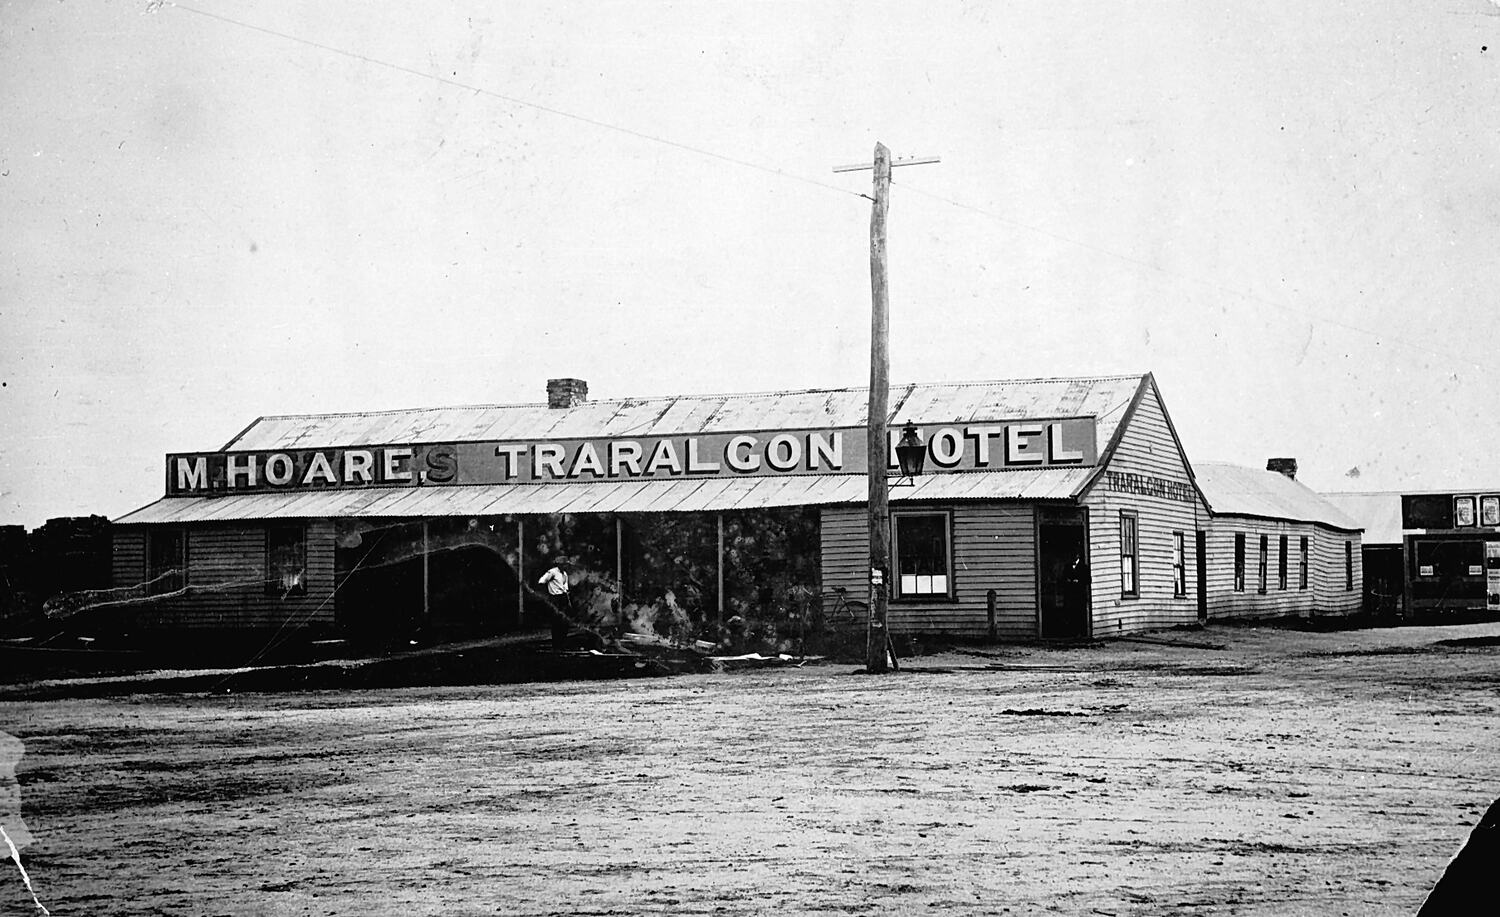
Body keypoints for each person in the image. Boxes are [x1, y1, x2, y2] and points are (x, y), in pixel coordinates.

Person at [538, 559, 572, 650]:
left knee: (565, 622)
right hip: (555, 598)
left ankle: (562, 643)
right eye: (564, 564)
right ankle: (556, 644)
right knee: (556, 622)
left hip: (563, 598)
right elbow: (541, 581)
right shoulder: (552, 572)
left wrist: (568, 602)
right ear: (559, 564)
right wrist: (547, 594)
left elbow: (566, 589)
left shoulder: (564, 574)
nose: (566, 567)